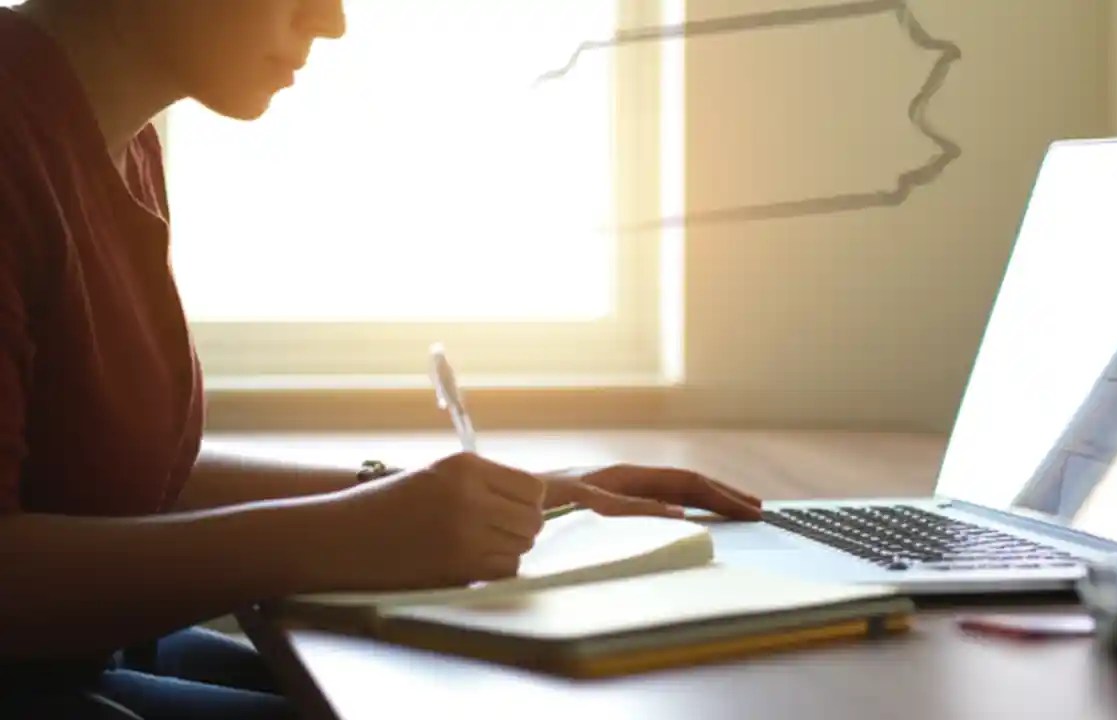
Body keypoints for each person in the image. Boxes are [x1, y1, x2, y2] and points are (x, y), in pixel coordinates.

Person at [0, 1, 764, 717]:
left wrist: (474, 503)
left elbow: (112, 479)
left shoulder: (109, 134)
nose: (331, 21)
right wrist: (342, 536)